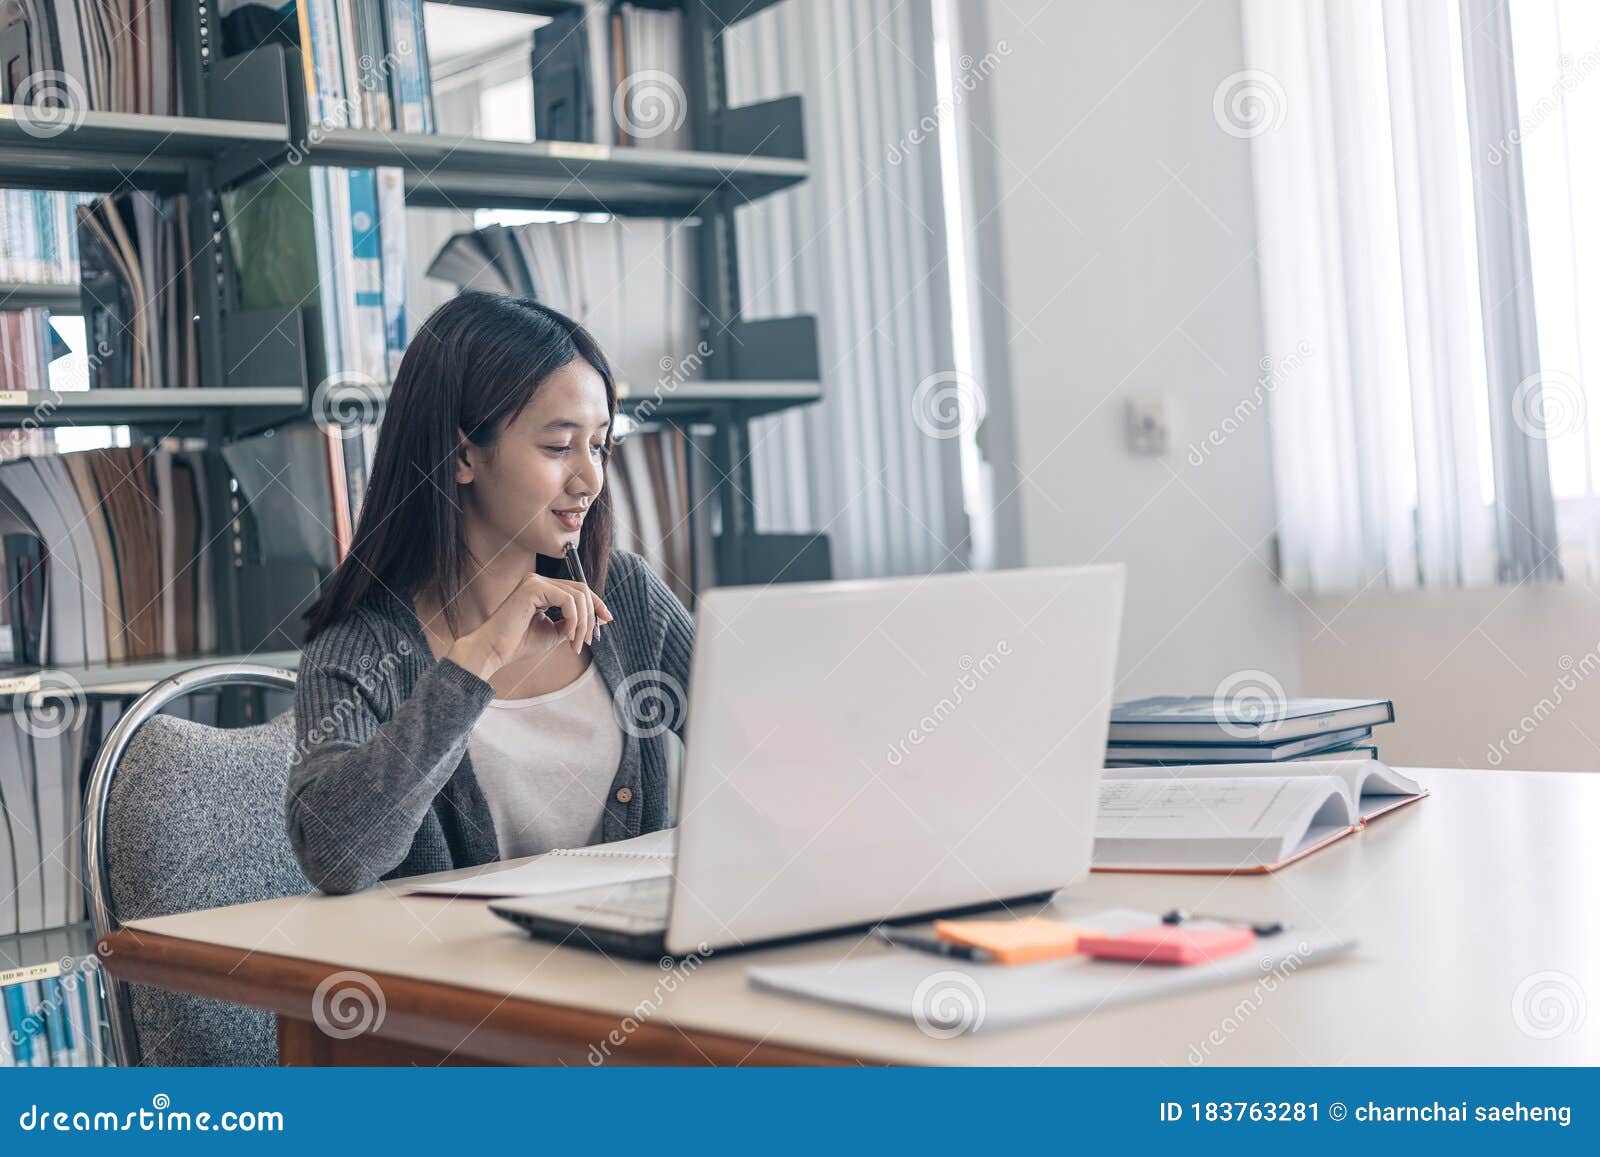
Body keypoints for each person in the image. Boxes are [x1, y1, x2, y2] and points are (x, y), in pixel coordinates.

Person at [289, 292, 693, 895]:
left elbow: (765, 754)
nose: (590, 480)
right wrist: (472, 666)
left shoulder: (627, 595)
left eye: (599, 445)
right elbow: (334, 856)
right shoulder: (359, 651)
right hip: (464, 984)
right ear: (461, 457)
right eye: (559, 447)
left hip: (629, 976)